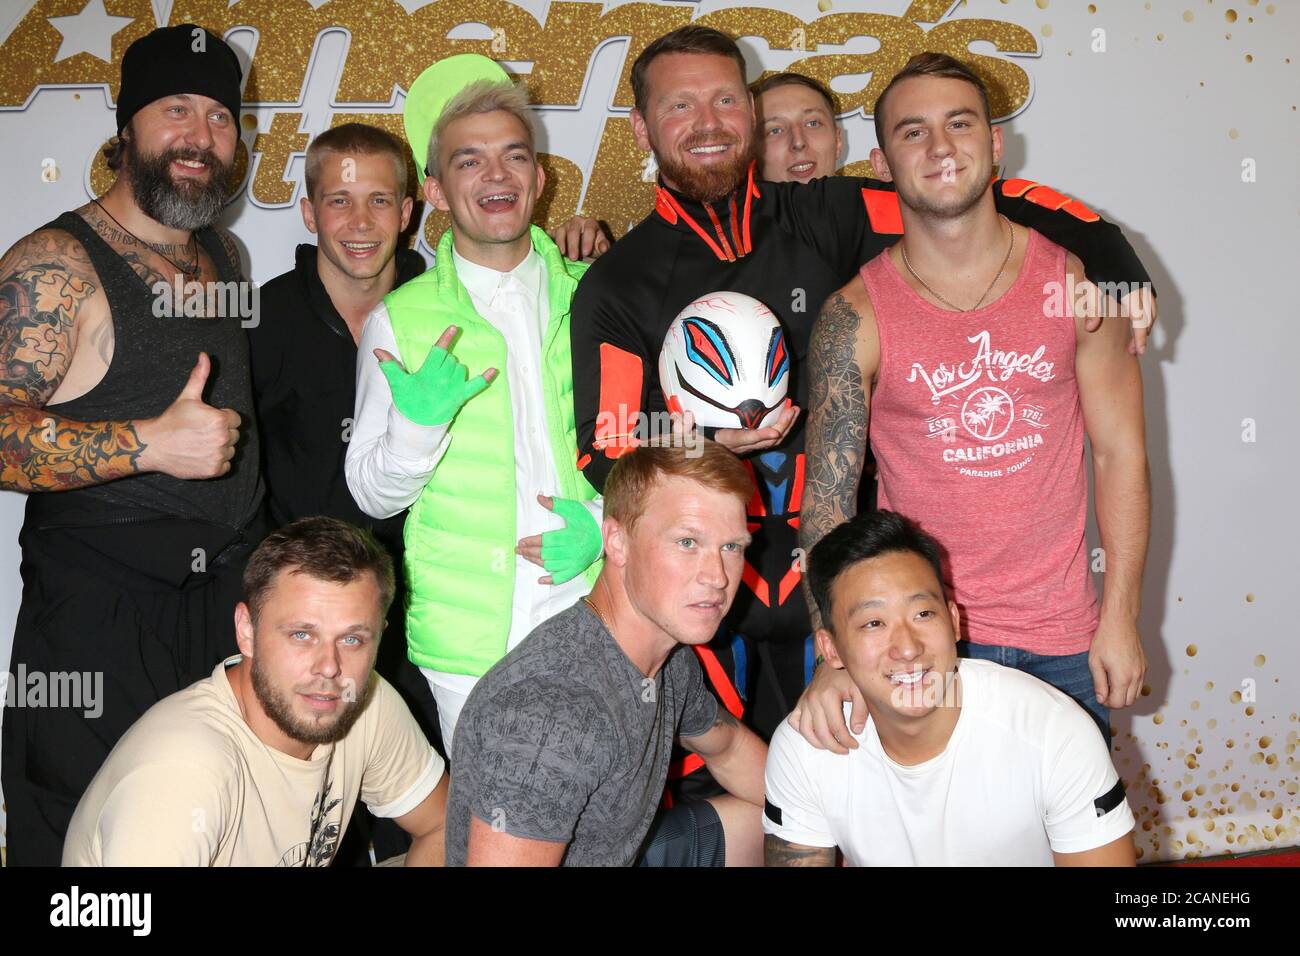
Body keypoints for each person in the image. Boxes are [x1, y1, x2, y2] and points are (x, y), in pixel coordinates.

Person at [569, 25, 1157, 758]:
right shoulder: (618, 282)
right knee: (743, 800)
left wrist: (1113, 258)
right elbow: (605, 443)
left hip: (853, 595)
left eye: (725, 99)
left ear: (749, 114)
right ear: (642, 128)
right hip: (714, 602)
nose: (708, 122)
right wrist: (703, 443)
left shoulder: (824, 214)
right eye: (681, 105)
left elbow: (969, 194)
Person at [797, 53, 1149, 750]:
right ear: (881, 161)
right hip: (920, 648)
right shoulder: (852, 317)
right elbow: (827, 504)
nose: (939, 147)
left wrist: (1122, 616)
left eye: (959, 124)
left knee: (1078, 853)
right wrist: (831, 654)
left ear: (994, 145)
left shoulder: (1077, 285)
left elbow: (1121, 456)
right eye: (913, 132)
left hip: (1067, 640)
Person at [0, 24, 265, 865]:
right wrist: (148, 443)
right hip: (100, 615)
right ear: (127, 130)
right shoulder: (55, 261)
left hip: (224, 600)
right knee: (86, 842)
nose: (200, 136)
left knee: (215, 831)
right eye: (175, 109)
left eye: (220, 116)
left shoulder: (225, 253)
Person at [345, 55, 603, 749]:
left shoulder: (599, 297)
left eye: (514, 156)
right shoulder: (398, 320)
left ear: (539, 178)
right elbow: (372, 495)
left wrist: (606, 525)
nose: (496, 175)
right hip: (468, 648)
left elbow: (646, 451)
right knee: (497, 842)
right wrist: (415, 431)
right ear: (433, 188)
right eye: (468, 161)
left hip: (597, 612)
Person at [446, 441, 767, 866]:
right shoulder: (551, 716)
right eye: (688, 542)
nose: (717, 576)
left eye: (732, 547)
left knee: (784, 816)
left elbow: (727, 749)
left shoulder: (669, 659)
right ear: (616, 541)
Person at [63, 517, 447, 866]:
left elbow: (445, 824)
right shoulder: (182, 772)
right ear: (247, 631)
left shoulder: (363, 702)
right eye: (302, 634)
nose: (329, 666)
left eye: (351, 639)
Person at [764, 510, 1137, 866]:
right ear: (830, 649)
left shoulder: (1055, 732)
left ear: (955, 621)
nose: (908, 648)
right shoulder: (808, 746)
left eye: (923, 614)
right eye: (874, 623)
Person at [752, 72, 844, 184]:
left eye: (813, 123)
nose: (798, 143)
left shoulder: (865, 200)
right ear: (752, 154)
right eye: (775, 130)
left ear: (838, 140)